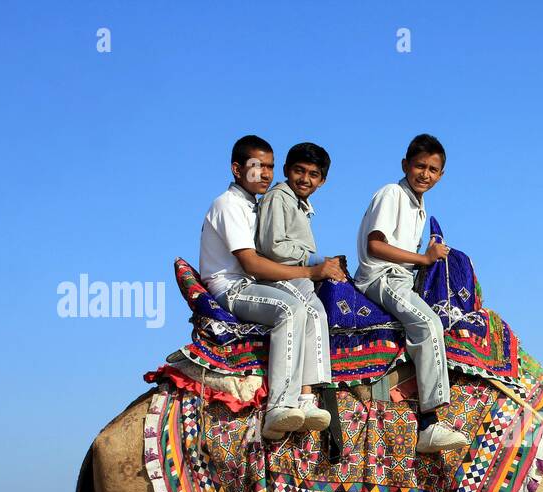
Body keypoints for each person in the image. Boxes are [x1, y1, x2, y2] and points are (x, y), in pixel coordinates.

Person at [199, 134, 345, 439]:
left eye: (269, 167)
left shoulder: (253, 205)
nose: (265, 173)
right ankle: (280, 405)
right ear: (237, 169)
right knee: (290, 309)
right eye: (256, 166)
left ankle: (307, 398)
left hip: (250, 283)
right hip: (232, 287)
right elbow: (253, 264)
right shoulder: (228, 205)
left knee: (312, 308)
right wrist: (312, 270)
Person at [354, 133, 469, 454]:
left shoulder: (418, 204)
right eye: (420, 166)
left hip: (401, 276)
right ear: (405, 165)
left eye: (433, 170)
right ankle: (430, 421)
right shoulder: (392, 194)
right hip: (382, 276)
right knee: (429, 324)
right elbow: (375, 245)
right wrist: (425, 259)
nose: (425, 174)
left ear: (441, 175)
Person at [255, 141, 342, 432]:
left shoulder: (299, 205)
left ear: (323, 180)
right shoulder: (278, 197)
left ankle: (306, 396)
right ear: (286, 171)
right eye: (299, 171)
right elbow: (272, 246)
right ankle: (282, 402)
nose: (305, 179)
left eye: (313, 174)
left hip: (300, 276)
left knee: (318, 314)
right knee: (306, 313)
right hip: (281, 277)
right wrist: (316, 260)